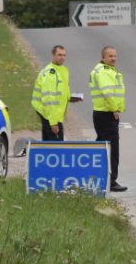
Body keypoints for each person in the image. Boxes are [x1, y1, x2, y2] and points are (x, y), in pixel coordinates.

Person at [90, 45, 127, 192]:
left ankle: (99, 178)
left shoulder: (107, 70)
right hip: (106, 113)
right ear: (103, 57)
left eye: (115, 56)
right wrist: (114, 110)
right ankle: (111, 181)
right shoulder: (103, 72)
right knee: (112, 149)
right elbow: (107, 93)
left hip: (104, 113)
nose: (114, 59)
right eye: (110, 56)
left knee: (102, 146)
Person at [30, 45, 82, 145]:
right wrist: (53, 122)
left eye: (64, 55)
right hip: (50, 114)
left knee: (48, 144)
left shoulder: (62, 70)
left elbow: (59, 93)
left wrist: (70, 98)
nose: (62, 57)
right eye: (59, 55)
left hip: (52, 114)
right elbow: (50, 99)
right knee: (57, 146)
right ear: (53, 56)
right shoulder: (51, 73)